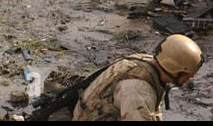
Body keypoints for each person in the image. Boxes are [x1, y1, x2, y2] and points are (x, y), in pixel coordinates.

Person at [73, 34, 203, 121]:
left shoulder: (150, 63)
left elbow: (152, 109)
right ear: (174, 68)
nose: (191, 77)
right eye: (187, 74)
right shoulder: (138, 91)